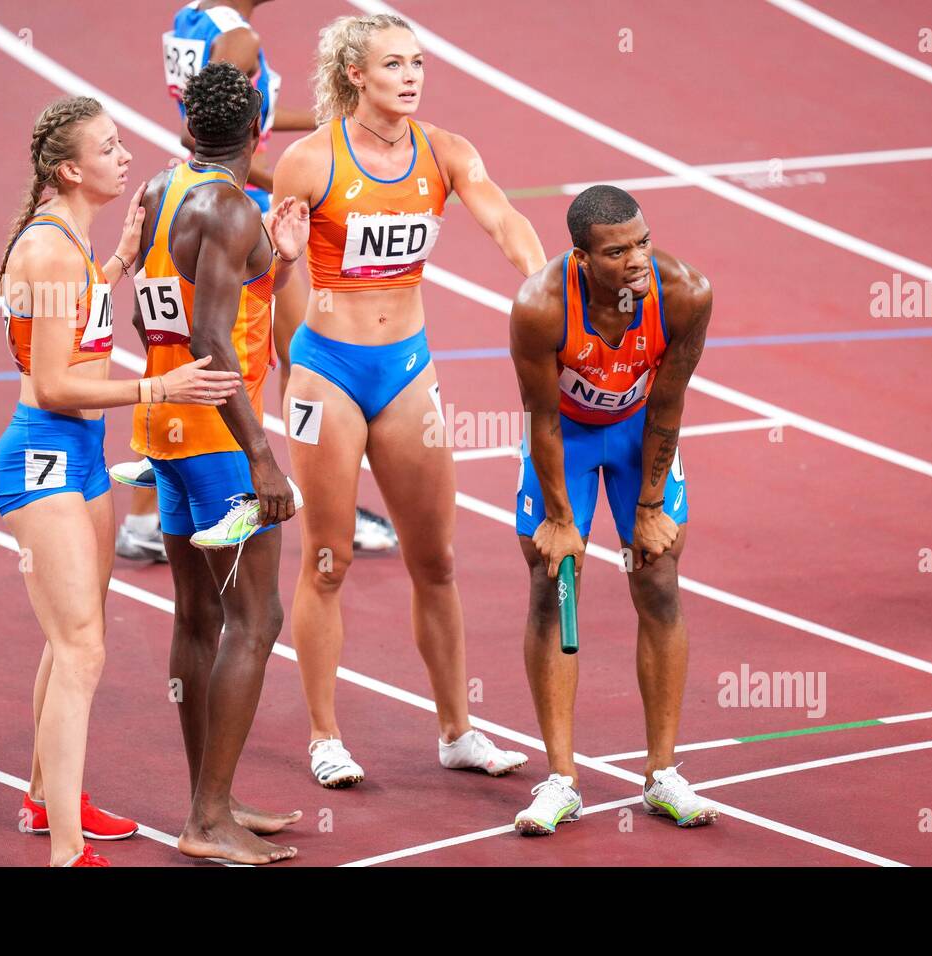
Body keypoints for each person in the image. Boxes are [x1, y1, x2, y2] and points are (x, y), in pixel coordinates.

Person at [269, 13, 541, 787]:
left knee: (438, 561)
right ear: (357, 74)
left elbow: (502, 216)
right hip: (326, 370)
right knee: (329, 560)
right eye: (395, 65)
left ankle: (457, 731)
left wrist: (542, 279)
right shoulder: (309, 160)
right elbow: (267, 271)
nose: (412, 76)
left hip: (407, 370)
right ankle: (325, 736)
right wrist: (280, 295)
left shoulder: (446, 152)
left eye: (418, 62)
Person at [0, 95, 241, 866]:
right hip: (46, 458)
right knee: (82, 651)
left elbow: (67, 320)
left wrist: (123, 260)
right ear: (70, 169)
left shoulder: (70, 243)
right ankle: (67, 849)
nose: (126, 156)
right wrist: (158, 391)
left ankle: (45, 800)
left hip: (80, 457)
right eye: (109, 147)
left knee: (72, 638)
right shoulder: (52, 249)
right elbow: (57, 384)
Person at [129, 62, 307, 864]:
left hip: (164, 425)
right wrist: (262, 458)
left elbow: (145, 303)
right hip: (218, 437)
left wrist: (284, 259)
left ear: (190, 126)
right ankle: (206, 820)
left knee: (197, 618)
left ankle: (214, 796)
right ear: (260, 129)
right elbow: (210, 338)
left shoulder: (165, 187)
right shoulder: (231, 208)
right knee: (256, 618)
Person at [149, 0, 397, 552]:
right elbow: (214, 133)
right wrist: (294, 182)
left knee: (232, 344)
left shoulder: (194, 19)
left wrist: (332, 122)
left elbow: (217, 119)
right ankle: (323, 499)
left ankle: (157, 497)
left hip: (206, 196)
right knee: (308, 358)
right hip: (244, 208)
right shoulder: (239, 40)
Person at [508, 185, 718, 835]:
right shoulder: (540, 307)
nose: (637, 261)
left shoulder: (685, 293)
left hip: (637, 432)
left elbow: (670, 404)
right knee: (554, 588)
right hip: (565, 437)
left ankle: (662, 775)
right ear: (581, 257)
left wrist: (652, 505)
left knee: (657, 577)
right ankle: (562, 780)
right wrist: (561, 521)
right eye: (618, 251)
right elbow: (542, 419)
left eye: (643, 242)